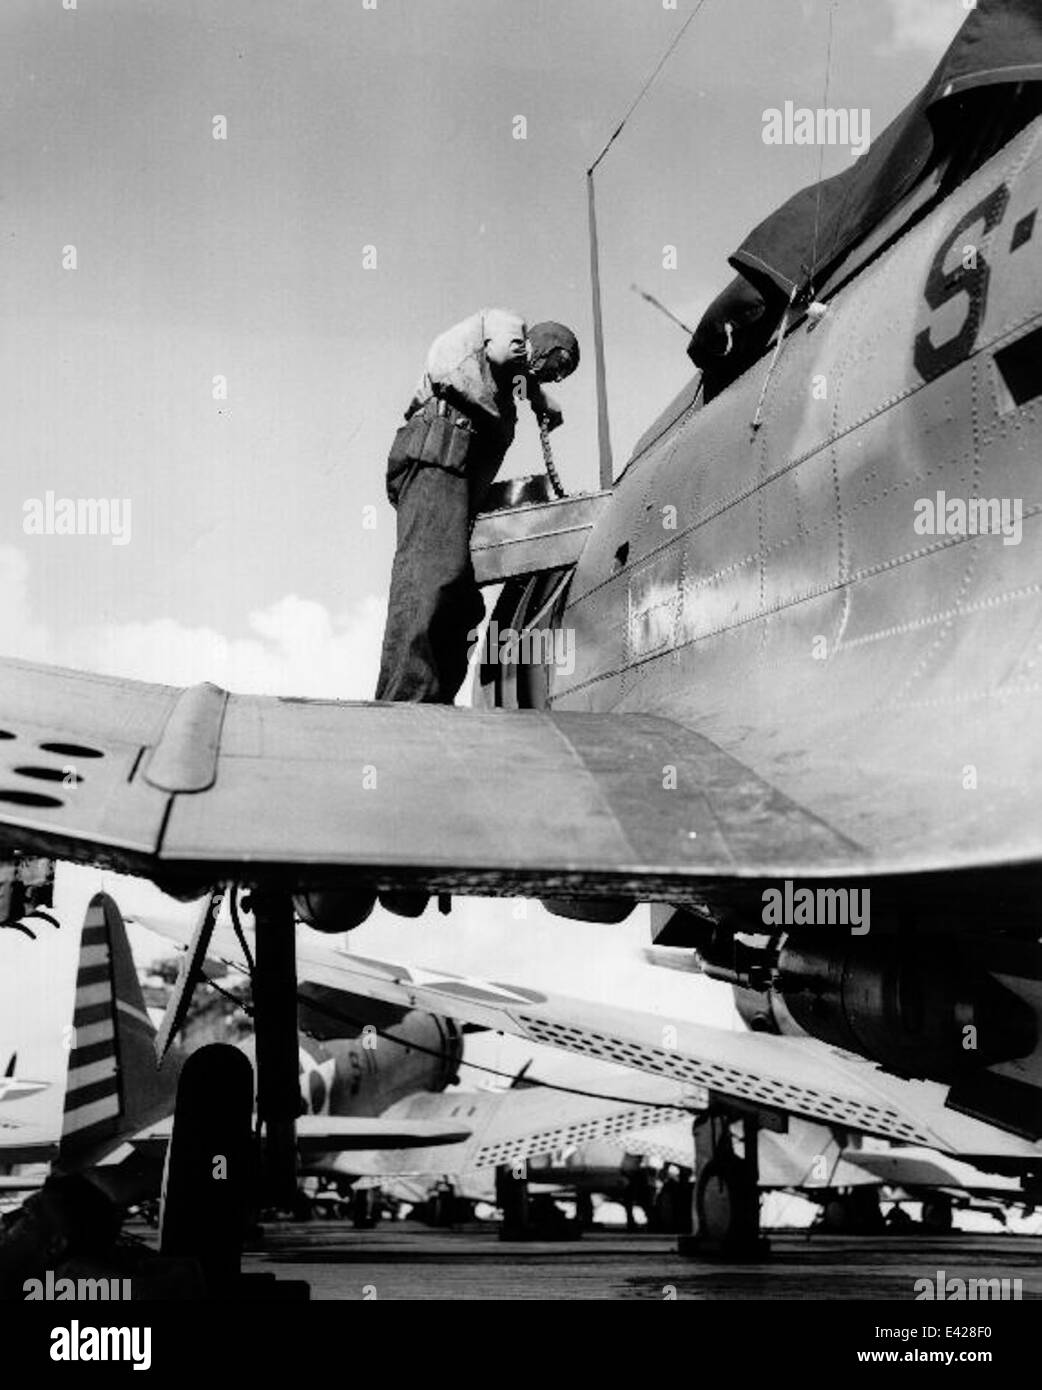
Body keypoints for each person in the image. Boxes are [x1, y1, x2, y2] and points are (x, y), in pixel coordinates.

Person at [374, 310, 579, 704]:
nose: (556, 377)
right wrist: (539, 396)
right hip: (440, 452)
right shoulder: (505, 325)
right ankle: (405, 701)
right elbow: (506, 353)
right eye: (560, 366)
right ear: (549, 345)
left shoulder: (503, 390)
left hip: (458, 471)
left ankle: (434, 698)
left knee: (464, 604)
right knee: (432, 576)